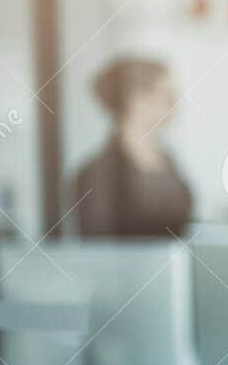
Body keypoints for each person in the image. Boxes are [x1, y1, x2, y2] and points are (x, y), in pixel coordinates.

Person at [72, 56, 192, 238]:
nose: (175, 103)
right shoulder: (96, 173)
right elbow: (99, 249)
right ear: (135, 99)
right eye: (166, 94)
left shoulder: (168, 161)